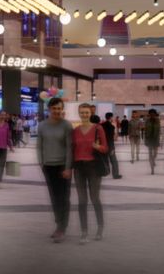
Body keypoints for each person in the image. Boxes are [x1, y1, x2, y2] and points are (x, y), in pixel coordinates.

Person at [38, 97, 73, 242]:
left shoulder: (66, 125)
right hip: (48, 167)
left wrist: (68, 167)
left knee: (64, 198)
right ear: (49, 109)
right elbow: (39, 146)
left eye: (59, 108)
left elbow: (70, 148)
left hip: (62, 167)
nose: (57, 111)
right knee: (54, 197)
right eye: (54, 108)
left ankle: (62, 228)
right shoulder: (42, 125)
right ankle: (59, 224)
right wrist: (42, 163)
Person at [73, 105, 107, 244]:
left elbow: (105, 148)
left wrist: (98, 147)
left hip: (93, 167)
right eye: (82, 113)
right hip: (79, 167)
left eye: (86, 112)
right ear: (79, 114)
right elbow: (72, 149)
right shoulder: (75, 131)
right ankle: (84, 231)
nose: (84, 114)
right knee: (82, 201)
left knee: (94, 198)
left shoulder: (98, 128)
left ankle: (100, 227)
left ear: (90, 113)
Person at [101, 113, 122, 179]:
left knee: (104, 160)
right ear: (110, 118)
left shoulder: (101, 125)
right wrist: (112, 148)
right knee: (114, 161)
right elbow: (110, 138)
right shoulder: (111, 126)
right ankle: (115, 175)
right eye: (112, 117)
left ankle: (104, 173)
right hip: (109, 146)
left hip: (103, 145)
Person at [144, 109, 161, 174]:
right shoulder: (147, 121)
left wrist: (159, 140)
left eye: (153, 113)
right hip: (149, 139)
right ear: (149, 114)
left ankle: (153, 160)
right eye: (151, 114)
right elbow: (145, 131)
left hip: (156, 139)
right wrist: (145, 140)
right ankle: (152, 170)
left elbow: (159, 131)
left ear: (155, 114)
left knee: (156, 153)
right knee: (150, 154)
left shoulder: (158, 120)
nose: (152, 115)